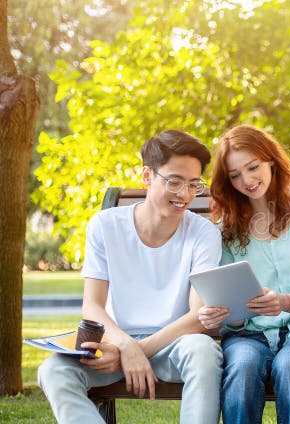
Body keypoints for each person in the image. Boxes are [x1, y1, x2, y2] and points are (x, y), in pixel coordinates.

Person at [38, 130, 224, 423]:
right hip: (114, 344)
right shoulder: (105, 225)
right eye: (174, 182)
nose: (185, 195)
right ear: (147, 176)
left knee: (204, 352)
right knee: (53, 370)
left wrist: (138, 351)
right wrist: (125, 347)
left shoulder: (204, 234)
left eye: (193, 185)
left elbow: (198, 314)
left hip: (173, 345)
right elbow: (92, 306)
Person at [198, 124, 290, 424]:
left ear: (271, 160)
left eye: (253, 167)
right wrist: (222, 314)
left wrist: (284, 302)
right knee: (244, 366)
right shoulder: (225, 229)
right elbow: (233, 311)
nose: (247, 180)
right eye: (235, 175)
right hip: (248, 335)